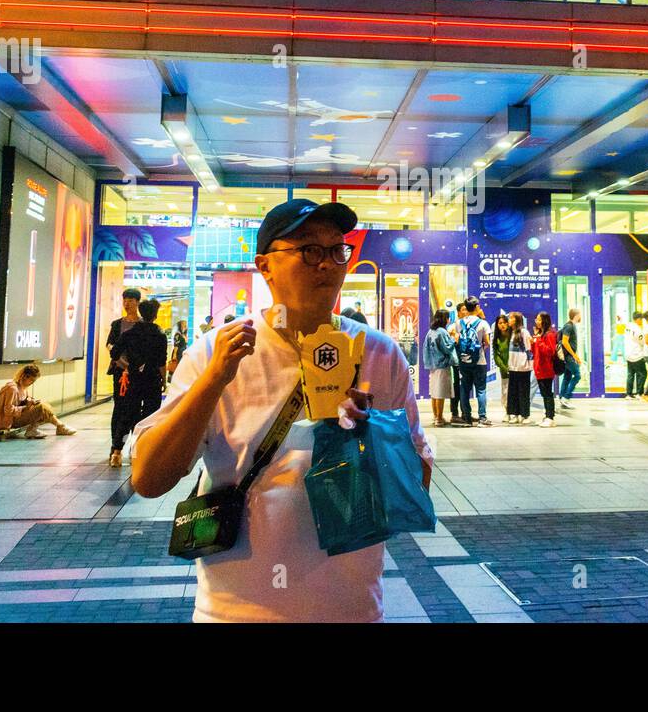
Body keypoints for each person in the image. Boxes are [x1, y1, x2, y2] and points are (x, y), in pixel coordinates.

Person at [131, 198, 430, 622]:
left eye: (336, 250)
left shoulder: (381, 354)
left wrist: (373, 435)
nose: (327, 264)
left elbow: (417, 485)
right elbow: (148, 478)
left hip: (351, 608)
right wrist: (214, 381)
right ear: (264, 265)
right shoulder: (217, 352)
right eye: (308, 250)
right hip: (235, 611)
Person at [118, 298, 169, 433]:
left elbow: (114, 353)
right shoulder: (159, 335)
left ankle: (118, 448)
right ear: (155, 315)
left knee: (129, 412)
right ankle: (143, 442)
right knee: (151, 413)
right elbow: (161, 361)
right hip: (152, 379)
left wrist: (127, 366)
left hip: (134, 378)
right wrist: (164, 380)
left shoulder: (129, 333)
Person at [105, 288, 143, 467]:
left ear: (137, 302)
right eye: (125, 299)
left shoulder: (144, 325)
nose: (127, 303)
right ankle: (115, 446)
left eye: (130, 299)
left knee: (135, 409)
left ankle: (133, 446)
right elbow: (110, 346)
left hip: (137, 373)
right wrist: (122, 364)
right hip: (120, 372)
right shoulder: (117, 324)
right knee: (119, 407)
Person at [0, 364, 76, 438]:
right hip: (8, 422)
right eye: (32, 380)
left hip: (15, 418)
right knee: (41, 407)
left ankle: (58, 426)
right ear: (24, 376)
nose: (32, 383)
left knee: (43, 405)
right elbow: (8, 410)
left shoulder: (23, 388)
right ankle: (60, 426)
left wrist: (30, 401)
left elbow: (21, 402)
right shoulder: (12, 388)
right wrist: (26, 407)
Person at [453, 298, 491, 426]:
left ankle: (467, 418)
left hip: (463, 361)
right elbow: (487, 342)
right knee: (480, 390)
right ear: (477, 307)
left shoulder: (459, 323)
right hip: (479, 361)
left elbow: (457, 339)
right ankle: (482, 418)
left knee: (464, 388)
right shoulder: (483, 323)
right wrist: (479, 349)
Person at [422, 309, 456, 427]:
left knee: (434, 392)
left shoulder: (431, 331)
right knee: (440, 392)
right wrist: (454, 339)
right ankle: (439, 418)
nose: (449, 319)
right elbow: (447, 348)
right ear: (444, 319)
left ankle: (436, 416)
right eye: (447, 317)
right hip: (442, 365)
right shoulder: (442, 332)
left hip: (433, 366)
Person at [504, 312, 532, 424]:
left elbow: (529, 350)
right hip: (513, 367)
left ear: (516, 320)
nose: (509, 320)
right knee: (513, 392)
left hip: (523, 367)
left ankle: (525, 415)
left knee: (523, 391)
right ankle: (515, 414)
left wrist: (529, 364)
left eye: (511, 318)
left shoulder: (524, 332)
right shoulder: (511, 333)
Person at [532, 312, 558, 427]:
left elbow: (550, 351)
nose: (536, 321)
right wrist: (534, 342)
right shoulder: (541, 335)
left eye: (538, 319)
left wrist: (539, 341)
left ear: (544, 321)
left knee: (547, 393)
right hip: (539, 369)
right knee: (544, 393)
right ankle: (547, 415)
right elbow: (535, 352)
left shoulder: (549, 335)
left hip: (546, 369)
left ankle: (550, 417)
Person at [557, 308, 583, 408]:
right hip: (568, 357)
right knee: (577, 375)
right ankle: (566, 398)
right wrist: (574, 355)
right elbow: (564, 342)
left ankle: (562, 398)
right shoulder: (569, 326)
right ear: (576, 315)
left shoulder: (572, 326)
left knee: (567, 377)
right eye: (580, 315)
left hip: (569, 356)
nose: (580, 317)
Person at [447, 302, 467, 423]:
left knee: (465, 388)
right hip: (455, 363)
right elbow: (450, 345)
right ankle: (454, 413)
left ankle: (465, 412)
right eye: (463, 310)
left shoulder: (469, 325)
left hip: (466, 362)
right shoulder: (452, 327)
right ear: (458, 312)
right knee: (456, 388)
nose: (465, 312)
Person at [624, 310, 647, 398]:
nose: (641, 321)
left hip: (629, 354)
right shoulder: (637, 329)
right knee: (642, 374)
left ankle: (629, 394)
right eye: (641, 319)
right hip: (637, 354)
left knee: (630, 374)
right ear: (638, 319)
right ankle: (639, 393)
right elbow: (642, 341)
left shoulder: (628, 326)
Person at [492, 312, 511, 413]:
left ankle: (516, 412)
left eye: (504, 322)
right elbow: (496, 356)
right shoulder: (496, 339)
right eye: (500, 323)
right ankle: (507, 411)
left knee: (514, 392)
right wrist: (504, 367)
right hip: (504, 370)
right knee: (505, 391)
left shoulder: (512, 337)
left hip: (515, 368)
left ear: (508, 324)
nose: (502, 325)